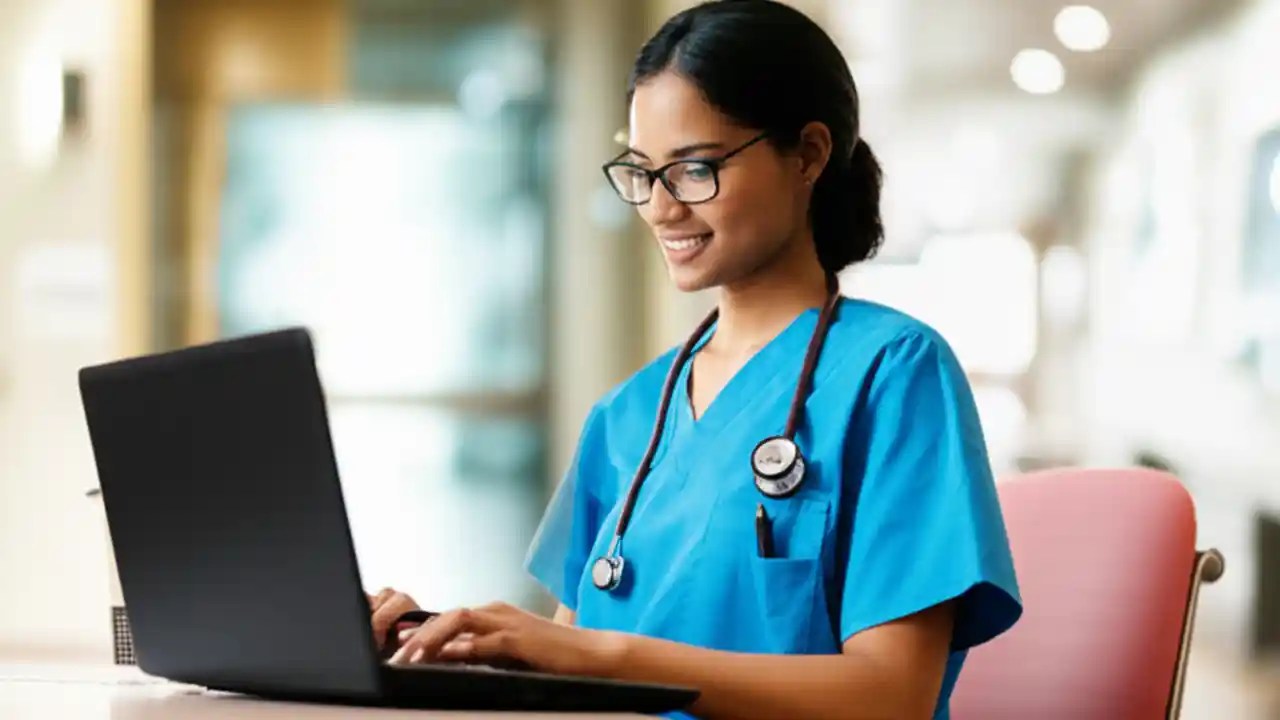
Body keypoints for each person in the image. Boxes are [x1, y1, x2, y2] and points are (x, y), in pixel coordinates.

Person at [369, 1, 1022, 718]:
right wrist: (429, 650)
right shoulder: (628, 417)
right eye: (643, 173)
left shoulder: (894, 373)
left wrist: (609, 656)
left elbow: (890, 695)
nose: (659, 207)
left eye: (694, 169)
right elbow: (565, 678)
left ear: (807, 153)